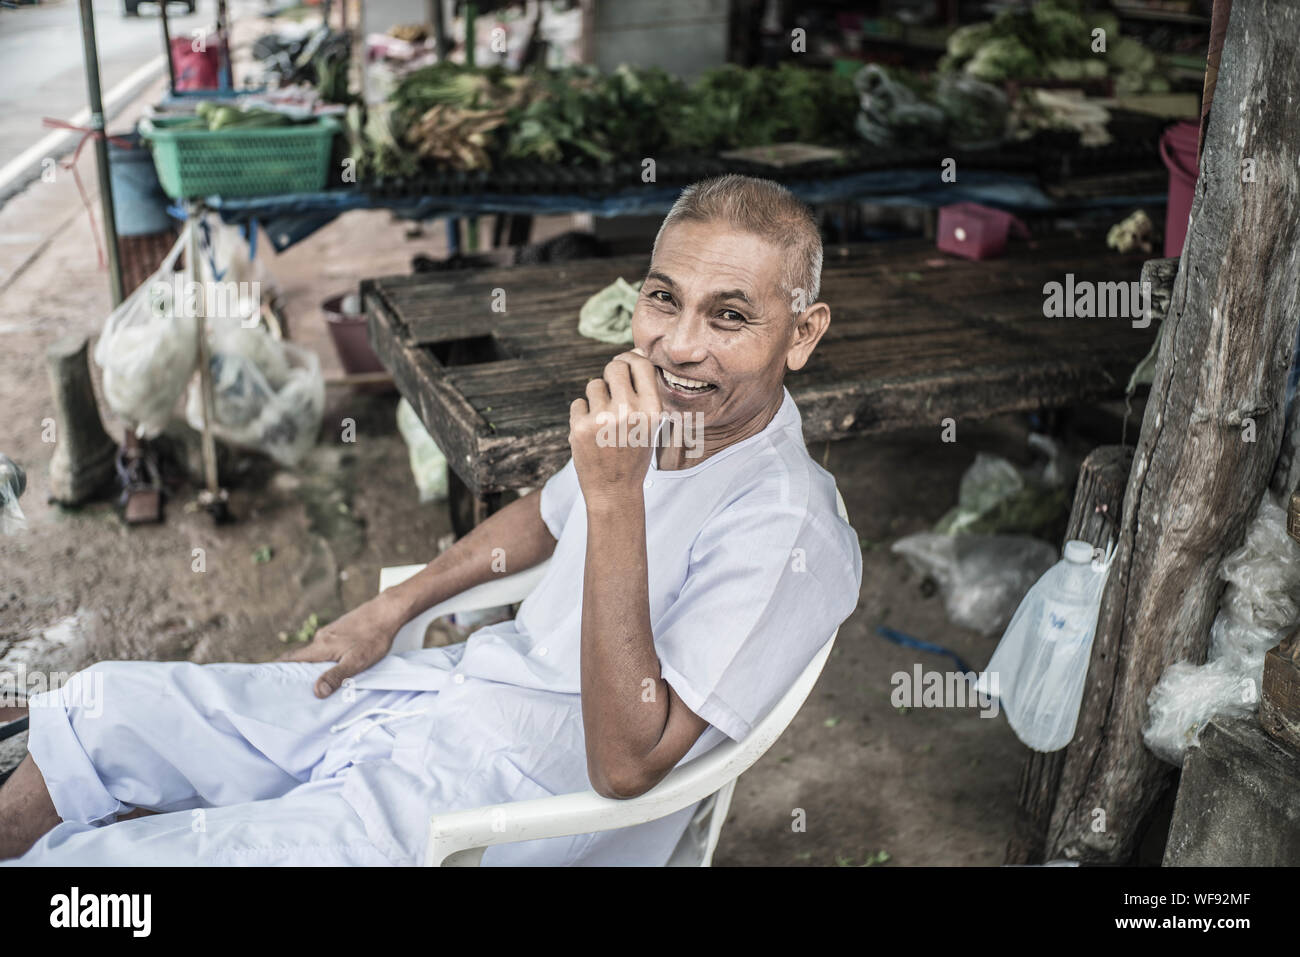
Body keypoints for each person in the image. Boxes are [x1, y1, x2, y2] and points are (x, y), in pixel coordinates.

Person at [0, 174, 862, 866]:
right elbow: (542, 520)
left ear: (803, 333)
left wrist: (617, 497)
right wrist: (395, 606)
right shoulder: (660, 424)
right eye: (664, 299)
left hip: (502, 803)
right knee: (107, 706)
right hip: (438, 694)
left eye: (731, 315)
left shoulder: (790, 531)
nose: (676, 344)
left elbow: (628, 764)